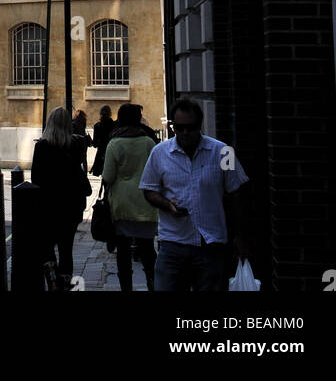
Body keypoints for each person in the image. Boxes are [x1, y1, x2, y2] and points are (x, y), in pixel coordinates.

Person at [139, 96, 250, 292]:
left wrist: (239, 237)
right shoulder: (159, 153)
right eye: (179, 127)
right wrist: (167, 204)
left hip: (211, 244)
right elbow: (148, 189)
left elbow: (237, 194)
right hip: (173, 242)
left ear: (200, 125)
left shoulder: (223, 152)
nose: (185, 133)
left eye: (190, 127)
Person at [101, 102, 158, 290]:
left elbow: (108, 176)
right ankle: (152, 282)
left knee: (123, 252)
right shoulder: (149, 142)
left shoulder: (114, 143)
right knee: (147, 250)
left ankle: (126, 287)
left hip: (122, 204)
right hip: (146, 201)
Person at [30, 106, 90, 280]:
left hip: (48, 205)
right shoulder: (76, 144)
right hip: (71, 205)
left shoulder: (42, 146)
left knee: (46, 247)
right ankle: (65, 282)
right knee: (66, 249)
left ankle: (52, 279)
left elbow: (36, 178)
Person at [90, 105, 115, 177]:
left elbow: (95, 144)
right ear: (110, 113)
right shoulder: (114, 125)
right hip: (111, 152)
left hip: (101, 153)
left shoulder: (97, 126)